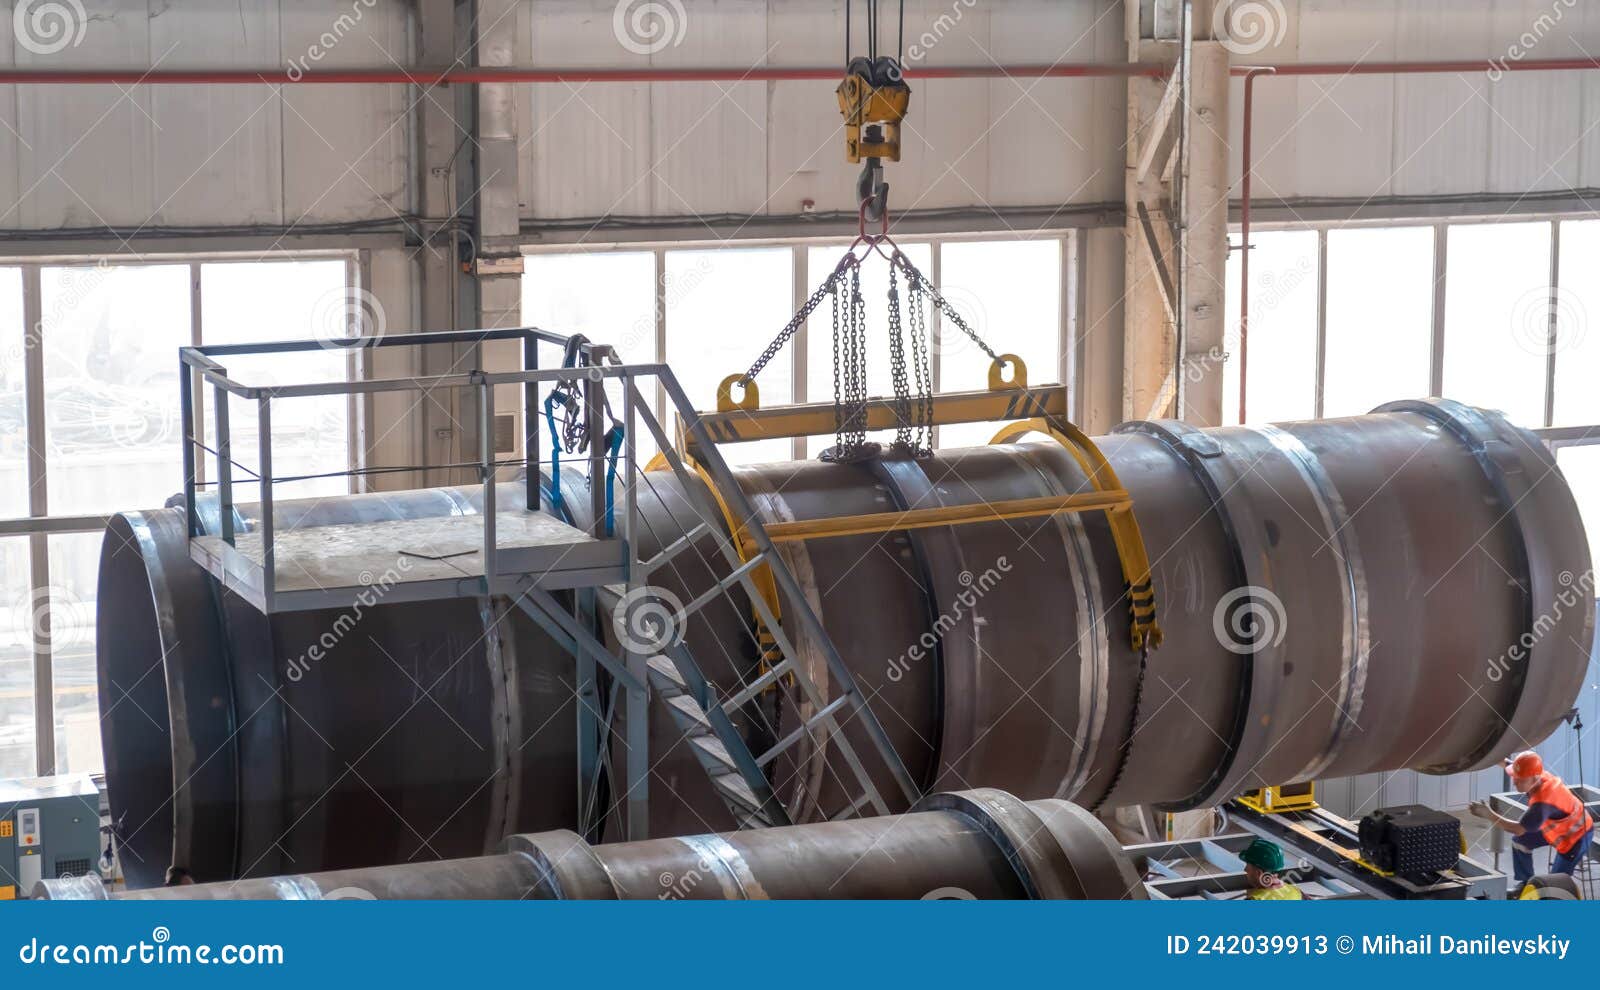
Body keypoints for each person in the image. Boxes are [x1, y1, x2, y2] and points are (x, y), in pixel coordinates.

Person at [1469, 751, 1594, 887]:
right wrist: (1484, 755)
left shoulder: (1543, 801)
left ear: (1534, 779)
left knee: (1556, 884)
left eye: (1520, 780)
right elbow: (1506, 764)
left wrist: (1488, 814)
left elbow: (1518, 829)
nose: (1515, 783)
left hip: (1577, 836)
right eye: (1515, 778)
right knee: (1520, 843)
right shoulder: (1530, 775)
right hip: (1558, 827)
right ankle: (1527, 883)